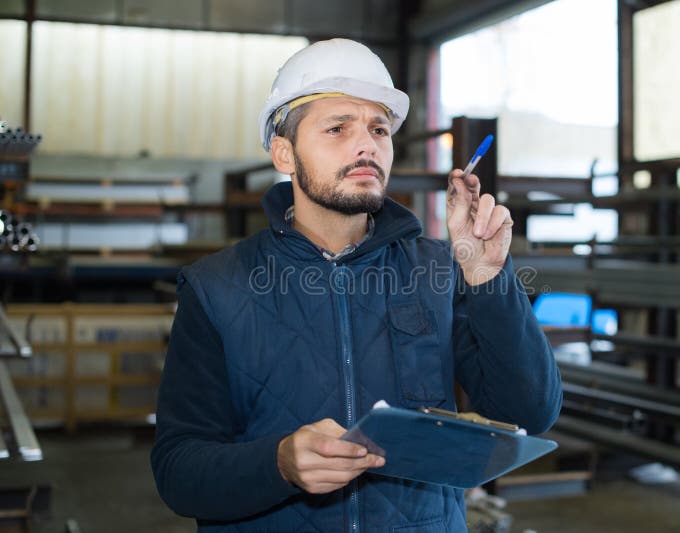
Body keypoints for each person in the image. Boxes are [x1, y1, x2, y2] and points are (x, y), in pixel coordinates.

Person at [151, 38, 562, 532]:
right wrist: (277, 463)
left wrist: (489, 277)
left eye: (378, 129)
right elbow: (178, 471)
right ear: (284, 154)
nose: (367, 144)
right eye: (337, 128)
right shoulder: (216, 287)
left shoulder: (438, 271)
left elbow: (529, 413)